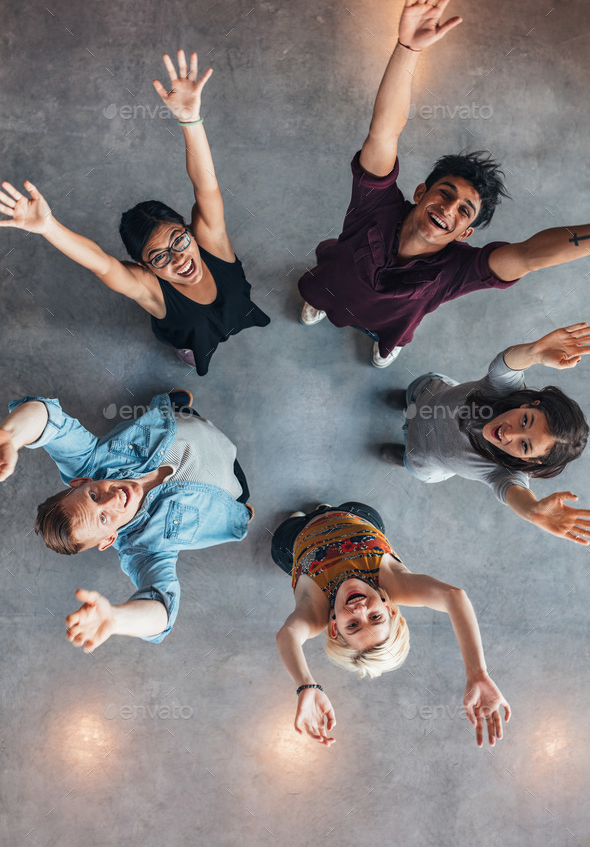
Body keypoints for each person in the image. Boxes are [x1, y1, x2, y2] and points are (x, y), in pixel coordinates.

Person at [298, 0, 590, 367]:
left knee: (391, 340)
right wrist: (406, 48)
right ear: (421, 192)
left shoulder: (458, 269)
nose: (449, 208)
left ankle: (388, 346)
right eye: (446, 192)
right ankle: (319, 307)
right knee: (320, 295)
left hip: (392, 323)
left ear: (466, 233)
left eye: (464, 211)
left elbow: (529, 256)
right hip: (333, 287)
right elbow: (383, 133)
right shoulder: (377, 205)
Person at [0, 50, 270, 375]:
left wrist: (190, 119)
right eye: (159, 257)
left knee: (232, 316)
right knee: (191, 342)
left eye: (179, 241)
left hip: (235, 311)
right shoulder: (150, 289)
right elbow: (103, 264)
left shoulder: (211, 241)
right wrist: (49, 227)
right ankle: (190, 350)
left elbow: (206, 187)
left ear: (188, 229)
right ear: (146, 268)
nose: (179, 259)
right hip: (189, 335)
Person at [0, 390, 253, 649]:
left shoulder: (88, 461)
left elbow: (46, 417)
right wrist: (117, 618)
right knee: (242, 499)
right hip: (228, 489)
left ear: (83, 481)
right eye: (103, 519)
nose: (113, 499)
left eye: (94, 495)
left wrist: (10, 435)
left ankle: (178, 408)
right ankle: (241, 510)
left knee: (180, 413)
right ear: (110, 538)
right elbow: (162, 609)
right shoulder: (143, 549)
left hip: (182, 423)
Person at [273, 503, 510, 748]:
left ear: (334, 627)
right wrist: (477, 673)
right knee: (349, 509)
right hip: (354, 515)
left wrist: (306, 685)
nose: (360, 610)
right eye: (375, 618)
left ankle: (302, 517)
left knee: (286, 535)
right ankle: (325, 508)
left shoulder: (316, 609)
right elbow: (454, 597)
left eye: (352, 625)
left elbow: (288, 635)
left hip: (296, 537)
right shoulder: (393, 582)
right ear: (389, 607)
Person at [381, 323, 590, 543]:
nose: (510, 434)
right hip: (426, 393)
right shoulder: (501, 391)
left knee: (408, 459)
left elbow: (515, 492)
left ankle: (403, 454)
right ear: (531, 404)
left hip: (421, 458)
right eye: (525, 420)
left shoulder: (505, 472)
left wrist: (532, 511)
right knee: (410, 398)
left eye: (525, 446)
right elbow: (507, 366)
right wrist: (534, 352)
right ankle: (407, 401)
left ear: (533, 461)